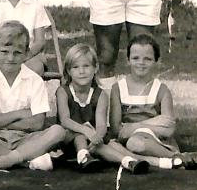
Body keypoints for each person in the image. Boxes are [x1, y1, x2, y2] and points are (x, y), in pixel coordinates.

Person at [0, 21, 67, 170]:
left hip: (26, 138)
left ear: (27, 54)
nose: (10, 58)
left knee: (58, 131)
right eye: (4, 52)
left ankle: (4, 159)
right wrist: (20, 114)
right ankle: (25, 160)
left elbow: (37, 123)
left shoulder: (35, 80)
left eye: (17, 53)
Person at [109, 34, 197, 169]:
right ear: (128, 60)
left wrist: (133, 127)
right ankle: (173, 161)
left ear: (156, 61)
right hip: (126, 141)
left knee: (136, 144)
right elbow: (117, 130)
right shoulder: (118, 88)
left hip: (155, 141)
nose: (141, 63)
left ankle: (171, 157)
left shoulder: (161, 90)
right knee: (112, 146)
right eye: (135, 58)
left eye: (147, 59)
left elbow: (168, 129)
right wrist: (153, 122)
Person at [55, 43, 148, 173]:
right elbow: (65, 120)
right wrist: (86, 131)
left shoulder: (100, 95)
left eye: (86, 66)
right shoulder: (63, 91)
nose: (81, 71)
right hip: (68, 139)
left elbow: (101, 125)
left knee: (100, 146)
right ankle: (83, 156)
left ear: (95, 68)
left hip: (91, 139)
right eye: (75, 67)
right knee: (79, 136)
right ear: (69, 71)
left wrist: (97, 137)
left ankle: (128, 161)